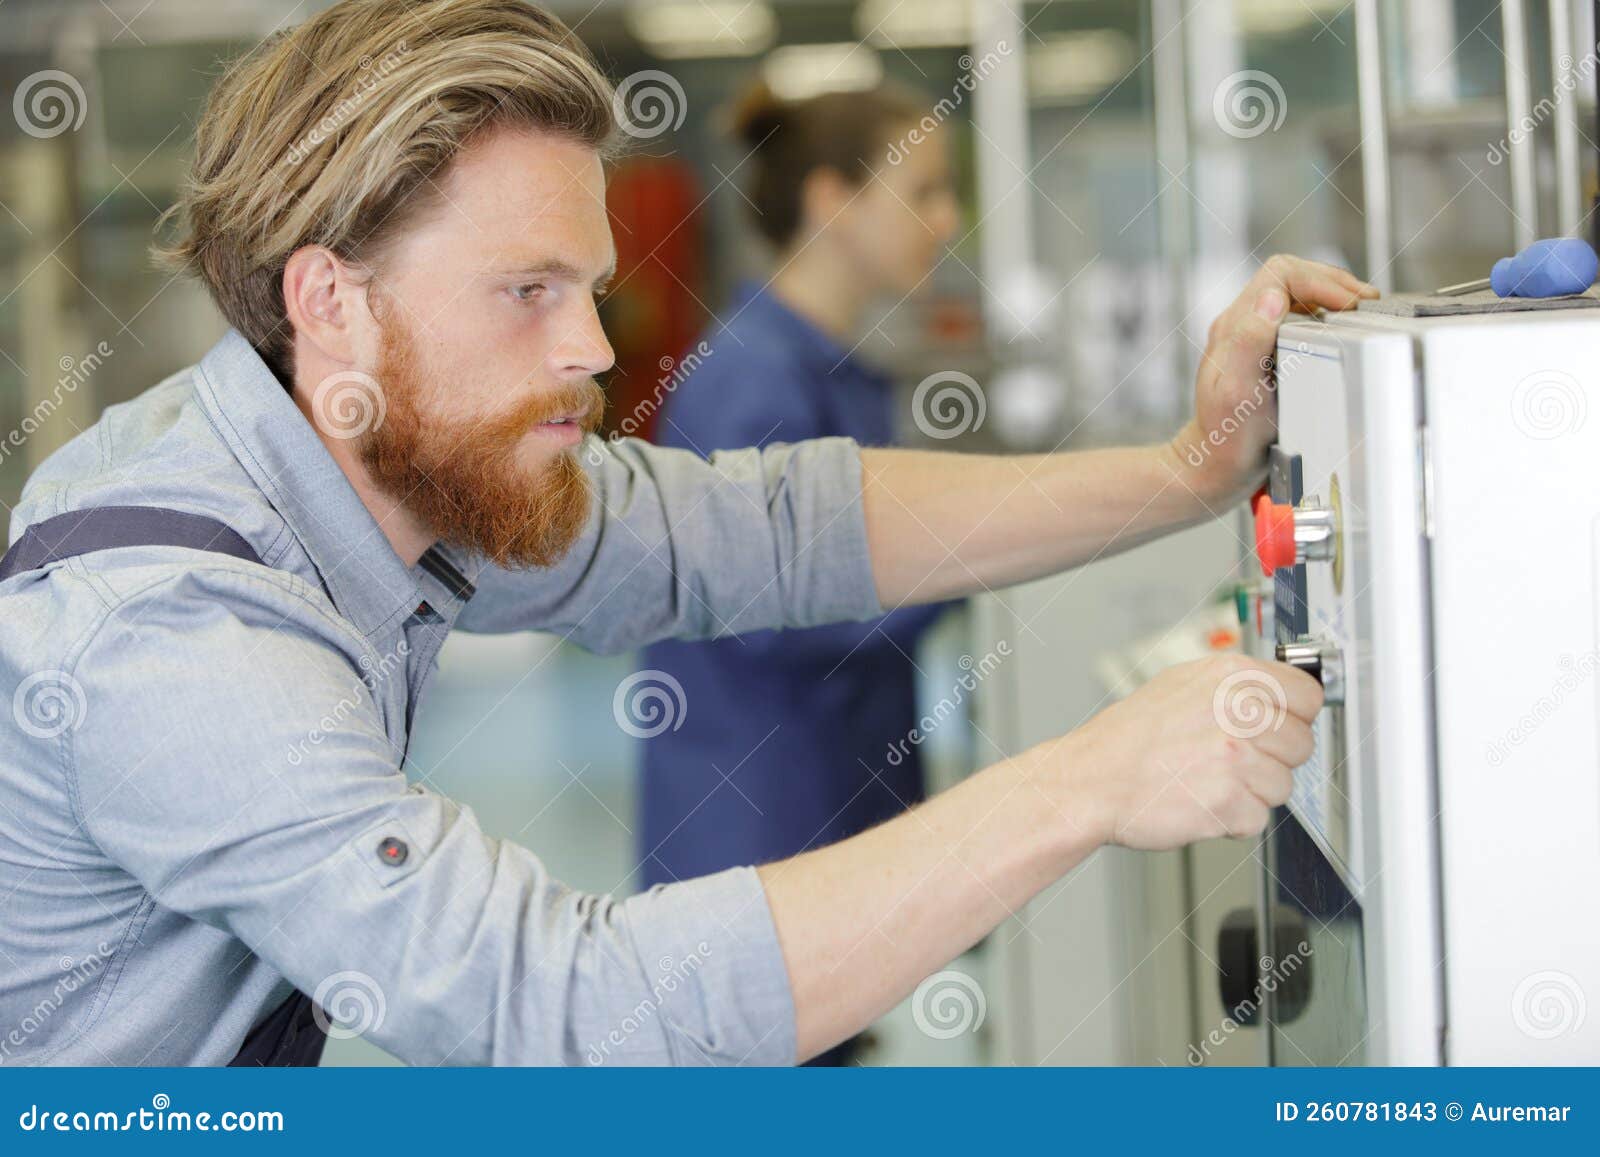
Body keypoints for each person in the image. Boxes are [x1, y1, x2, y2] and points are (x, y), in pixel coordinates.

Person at [0, 0, 1364, 1067]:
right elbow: (558, 1020)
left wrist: (1189, 471)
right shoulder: (176, 635)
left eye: (586, 287)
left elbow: (760, 528)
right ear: (332, 303)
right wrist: (1086, 785)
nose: (592, 348)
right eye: (526, 290)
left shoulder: (365, 455)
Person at [635, 84, 960, 1028]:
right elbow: (769, 613)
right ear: (832, 202)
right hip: (758, 828)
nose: (946, 219)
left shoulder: (825, 367)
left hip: (823, 810)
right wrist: (967, 561)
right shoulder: (748, 380)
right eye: (924, 191)